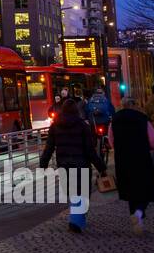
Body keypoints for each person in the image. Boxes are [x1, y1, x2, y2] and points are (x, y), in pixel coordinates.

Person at [39, 99, 107, 233]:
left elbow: (49, 147)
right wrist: (101, 167)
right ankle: (76, 221)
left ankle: (77, 219)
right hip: (81, 165)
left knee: (73, 193)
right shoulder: (82, 126)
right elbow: (90, 150)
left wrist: (43, 164)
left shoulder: (55, 125)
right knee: (83, 194)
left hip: (64, 165)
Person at [109, 97, 154, 234]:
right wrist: (149, 148)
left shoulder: (115, 119)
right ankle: (139, 212)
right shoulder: (142, 118)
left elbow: (111, 140)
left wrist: (119, 149)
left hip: (123, 159)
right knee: (146, 187)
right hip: (141, 157)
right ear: (133, 105)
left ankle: (137, 220)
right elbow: (153, 139)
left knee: (130, 189)